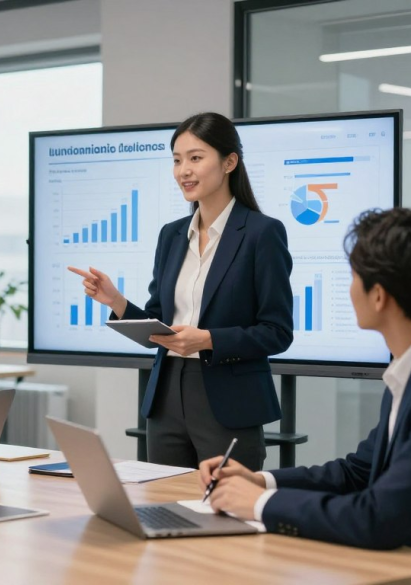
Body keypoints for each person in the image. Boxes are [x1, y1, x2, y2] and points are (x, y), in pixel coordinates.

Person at [202, 208, 411, 583]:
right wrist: (264, 481)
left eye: (354, 276)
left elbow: (380, 518)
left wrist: (259, 504)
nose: (349, 286)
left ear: (379, 297)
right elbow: (358, 471)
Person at [68, 112, 293, 471]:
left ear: (229, 162)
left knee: (228, 511)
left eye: (195, 158)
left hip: (228, 400)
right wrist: (117, 301)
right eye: (176, 160)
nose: (183, 170)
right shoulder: (171, 235)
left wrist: (207, 339)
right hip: (166, 398)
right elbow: (159, 324)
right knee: (163, 504)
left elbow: (277, 333)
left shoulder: (261, 234)